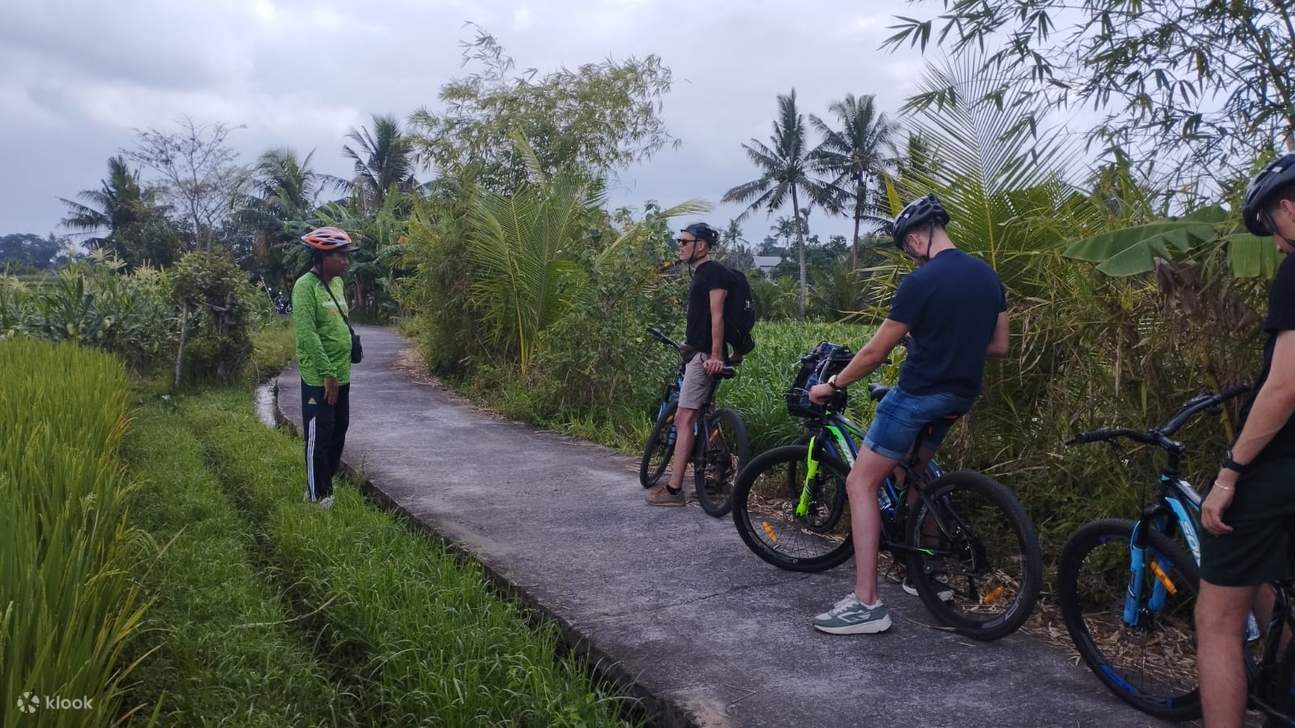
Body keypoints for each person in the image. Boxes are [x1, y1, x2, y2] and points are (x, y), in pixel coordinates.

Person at [805, 194, 1009, 634]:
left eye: (907, 247)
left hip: (917, 395)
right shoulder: (989, 279)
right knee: (918, 473)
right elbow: (998, 346)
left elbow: (877, 351)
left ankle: (867, 603)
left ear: (917, 238)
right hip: (960, 396)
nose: (910, 256)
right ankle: (927, 572)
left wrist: (833, 384)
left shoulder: (920, 283)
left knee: (861, 481)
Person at [1197, 154, 1295, 728]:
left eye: (1271, 226)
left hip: (1279, 464)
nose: (1278, 245)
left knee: (1217, 624)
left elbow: (1284, 388)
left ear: (1288, 206)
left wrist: (1230, 472)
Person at [646, 222, 731, 506]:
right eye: (679, 241)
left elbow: (717, 316)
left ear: (701, 246)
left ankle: (673, 490)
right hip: (698, 352)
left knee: (684, 419)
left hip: (706, 357)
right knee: (701, 415)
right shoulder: (700, 274)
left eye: (684, 241)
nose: (679, 246)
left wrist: (716, 355)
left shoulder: (713, 272)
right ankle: (717, 471)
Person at [292, 226, 357, 510]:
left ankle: (323, 485)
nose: (346, 261)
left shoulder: (339, 284)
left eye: (346, 255)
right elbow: (308, 335)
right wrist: (327, 373)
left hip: (343, 375)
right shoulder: (305, 287)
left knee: (338, 429)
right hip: (320, 378)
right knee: (318, 435)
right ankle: (319, 495)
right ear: (323, 257)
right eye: (340, 256)